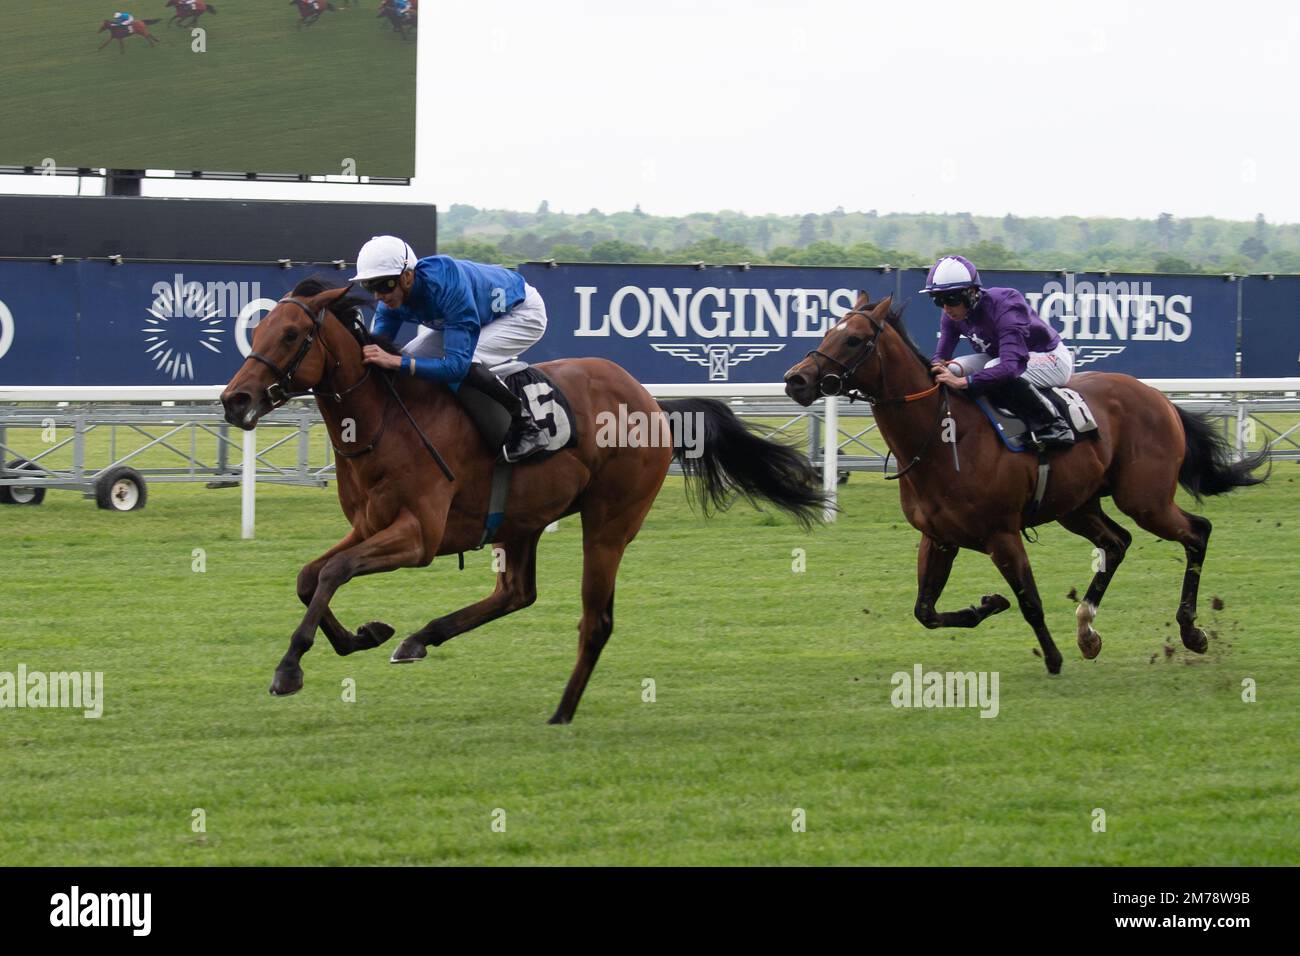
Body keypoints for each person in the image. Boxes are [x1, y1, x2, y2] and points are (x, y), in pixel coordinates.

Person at [351, 236, 550, 462]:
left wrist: (397, 362)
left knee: (466, 359)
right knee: (407, 358)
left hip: (522, 312)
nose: (378, 296)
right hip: (481, 312)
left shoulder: (446, 286)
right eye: (369, 286)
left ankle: (526, 425)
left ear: (407, 277)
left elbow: (456, 367)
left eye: (383, 285)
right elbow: (376, 350)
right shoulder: (390, 301)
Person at [924, 255, 1074, 445]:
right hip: (1004, 357)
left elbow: (1010, 367)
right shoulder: (951, 315)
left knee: (993, 367)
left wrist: (964, 382)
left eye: (951, 299)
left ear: (971, 292)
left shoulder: (1006, 304)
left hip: (1052, 358)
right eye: (939, 300)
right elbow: (941, 358)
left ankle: (1054, 426)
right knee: (953, 368)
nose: (946, 308)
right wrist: (938, 369)